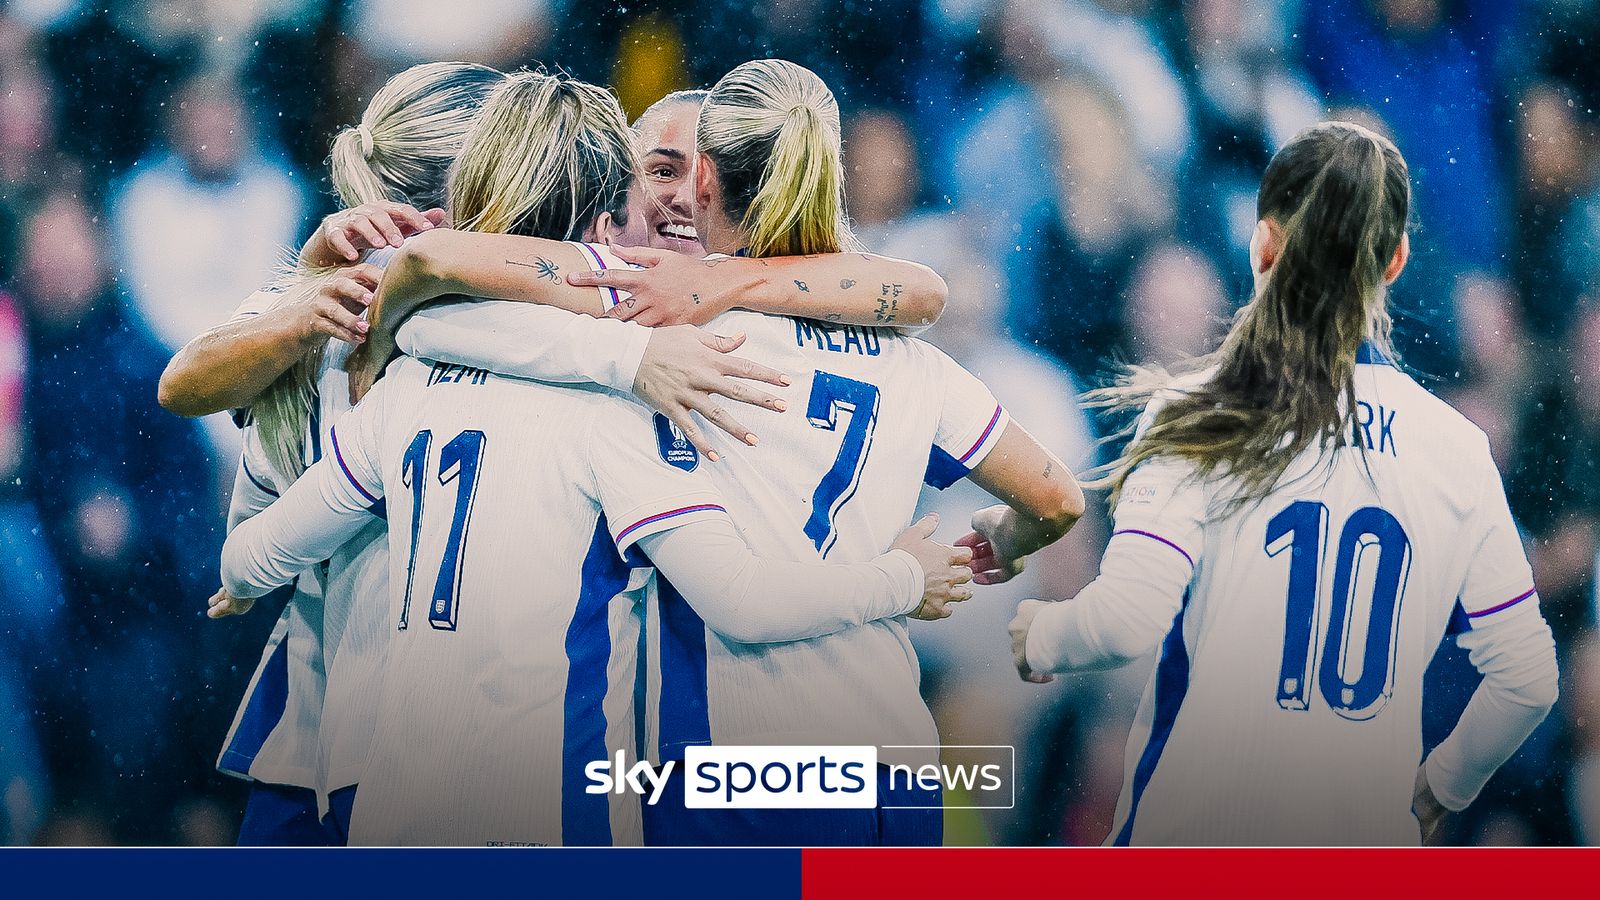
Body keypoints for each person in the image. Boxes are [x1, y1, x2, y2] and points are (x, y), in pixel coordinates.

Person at [214, 70, 974, 847]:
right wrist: (909, 577)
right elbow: (930, 309)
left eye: (701, 174)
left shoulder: (388, 345)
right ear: (609, 216)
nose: (683, 197)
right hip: (592, 795)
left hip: (376, 784)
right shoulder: (623, 391)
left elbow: (230, 503)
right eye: (662, 170)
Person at [1008, 122, 1560, 846]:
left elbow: (1124, 623)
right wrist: (1443, 785)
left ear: (1262, 244)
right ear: (1395, 261)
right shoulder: (1456, 449)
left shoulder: (1199, 411)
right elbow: (1528, 680)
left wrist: (1040, 636)